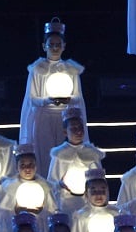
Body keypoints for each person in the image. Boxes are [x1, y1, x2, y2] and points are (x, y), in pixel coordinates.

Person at [19, 16, 88, 176]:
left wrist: (68, 99)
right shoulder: (38, 69)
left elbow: (78, 97)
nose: (55, 48)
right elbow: (32, 99)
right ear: (44, 46)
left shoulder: (71, 69)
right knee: (45, 155)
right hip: (43, 118)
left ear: (64, 46)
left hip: (65, 119)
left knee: (64, 158)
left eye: (58, 45)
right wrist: (48, 100)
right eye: (51, 45)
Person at [0, 143, 58, 232]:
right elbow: (1, 216)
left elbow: (54, 214)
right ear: (17, 167)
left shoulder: (45, 187)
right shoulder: (9, 187)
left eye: (31, 164)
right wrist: (16, 211)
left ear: (36, 166)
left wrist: (41, 212)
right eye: (23, 165)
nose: (27, 168)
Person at [47, 107, 105, 216]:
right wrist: (60, 184)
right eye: (73, 128)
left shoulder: (91, 153)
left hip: (88, 202)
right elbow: (51, 182)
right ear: (65, 131)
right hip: (67, 203)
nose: (78, 131)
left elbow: (100, 179)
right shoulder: (60, 154)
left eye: (80, 127)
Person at [70, 168, 120, 232]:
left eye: (102, 190)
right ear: (86, 194)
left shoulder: (116, 214)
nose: (99, 195)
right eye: (94, 191)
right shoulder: (81, 217)